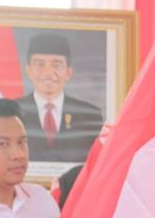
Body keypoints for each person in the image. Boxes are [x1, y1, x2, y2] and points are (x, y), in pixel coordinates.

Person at [15, 32, 104, 164]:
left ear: (68, 73)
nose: (48, 72)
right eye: (40, 64)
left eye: (56, 65)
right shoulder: (11, 112)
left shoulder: (89, 115)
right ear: (28, 71)